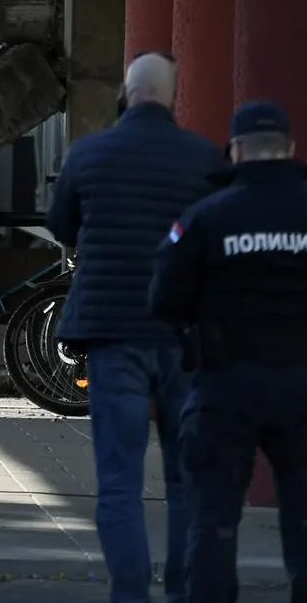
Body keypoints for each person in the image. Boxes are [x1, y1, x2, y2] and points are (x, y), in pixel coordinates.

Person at [46, 51, 225, 603]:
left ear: (125, 93)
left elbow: (61, 225)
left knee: (119, 479)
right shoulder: (203, 159)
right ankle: (182, 592)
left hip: (112, 333)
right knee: (184, 479)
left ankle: (129, 594)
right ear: (172, 96)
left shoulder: (88, 153)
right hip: (181, 339)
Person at [150, 100, 307, 603]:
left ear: (235, 151)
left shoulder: (207, 216)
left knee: (214, 519)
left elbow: (164, 298)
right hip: (303, 384)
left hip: (225, 385)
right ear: (290, 149)